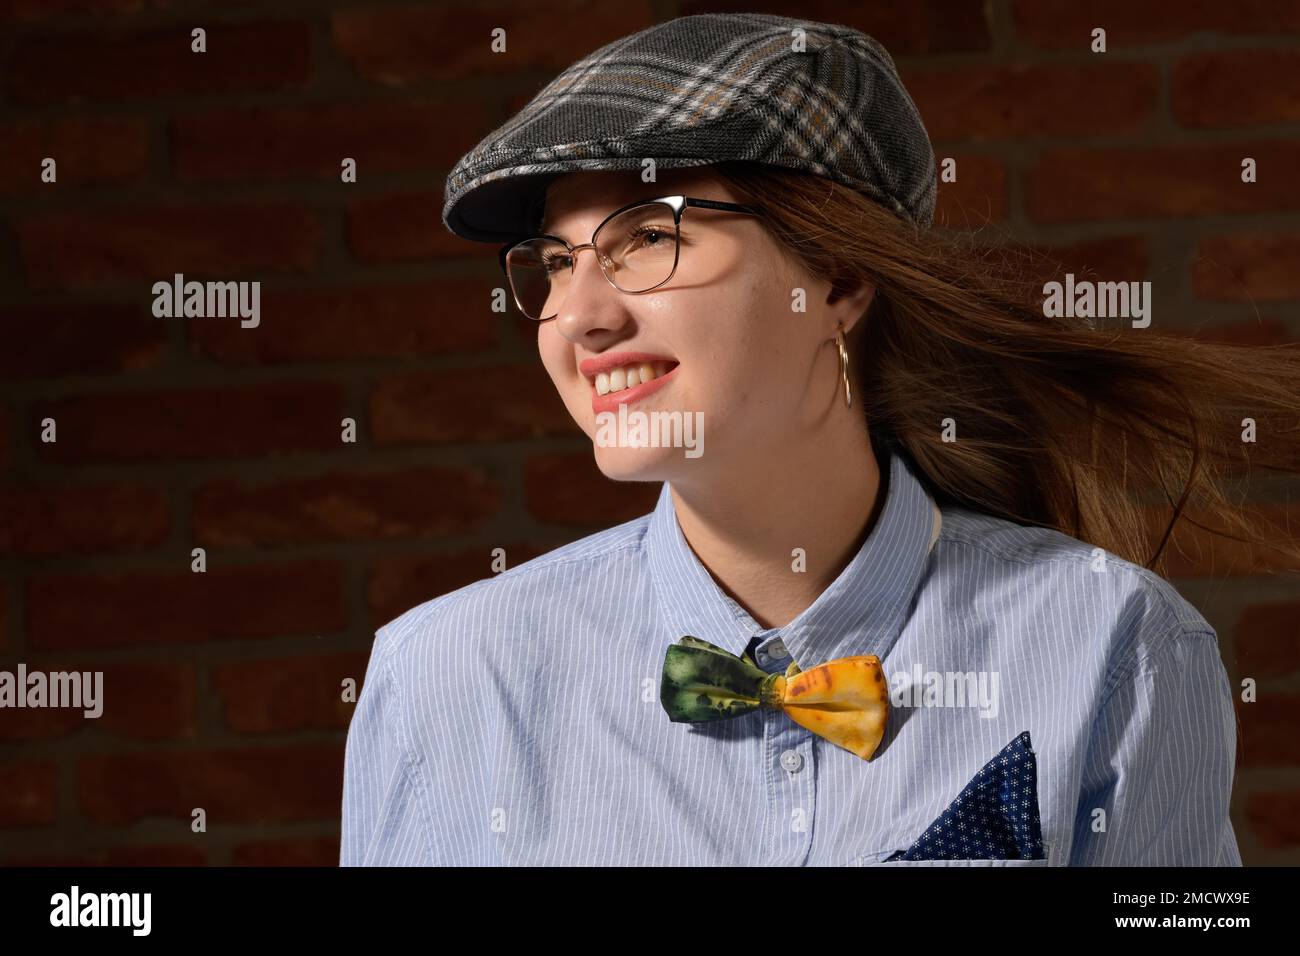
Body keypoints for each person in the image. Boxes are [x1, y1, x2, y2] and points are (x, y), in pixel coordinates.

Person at [341, 13, 1300, 866]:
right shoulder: (447, 675)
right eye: (554, 263)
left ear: (837, 281)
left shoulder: (1116, 647)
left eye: (645, 236)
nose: (579, 315)